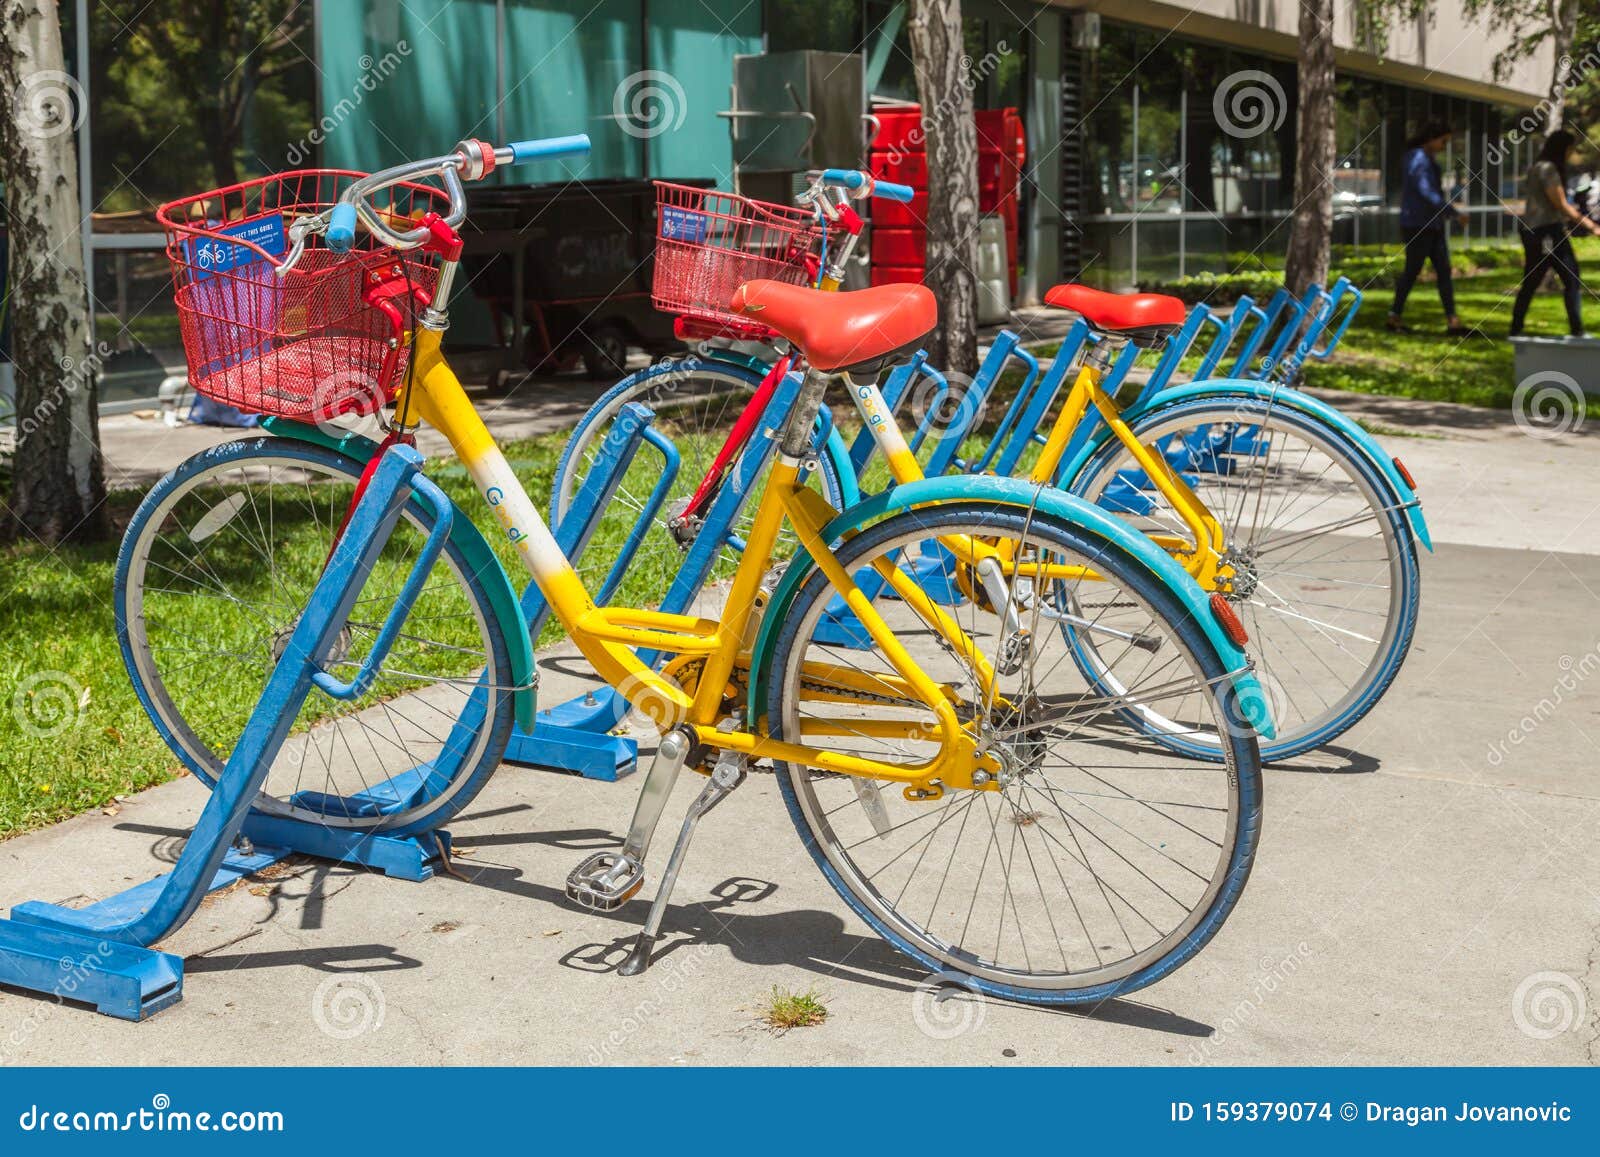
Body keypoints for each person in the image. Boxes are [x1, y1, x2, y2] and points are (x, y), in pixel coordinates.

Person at [1509, 129, 1600, 338]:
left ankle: (1516, 328)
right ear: (1562, 149)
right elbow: (1560, 204)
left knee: (1533, 279)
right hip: (1546, 232)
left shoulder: (1537, 167)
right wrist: (1592, 226)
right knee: (1571, 276)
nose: (1572, 153)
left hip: (1535, 230)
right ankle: (1577, 330)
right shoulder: (1548, 169)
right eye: (1570, 148)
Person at [1388, 121, 1469, 334]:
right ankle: (1394, 316)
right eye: (1443, 141)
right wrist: (1452, 212)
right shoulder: (1417, 158)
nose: (1444, 146)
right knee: (1412, 271)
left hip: (1433, 224)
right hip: (1418, 225)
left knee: (1444, 271)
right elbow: (1425, 192)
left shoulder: (1427, 159)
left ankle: (1453, 321)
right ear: (1432, 138)